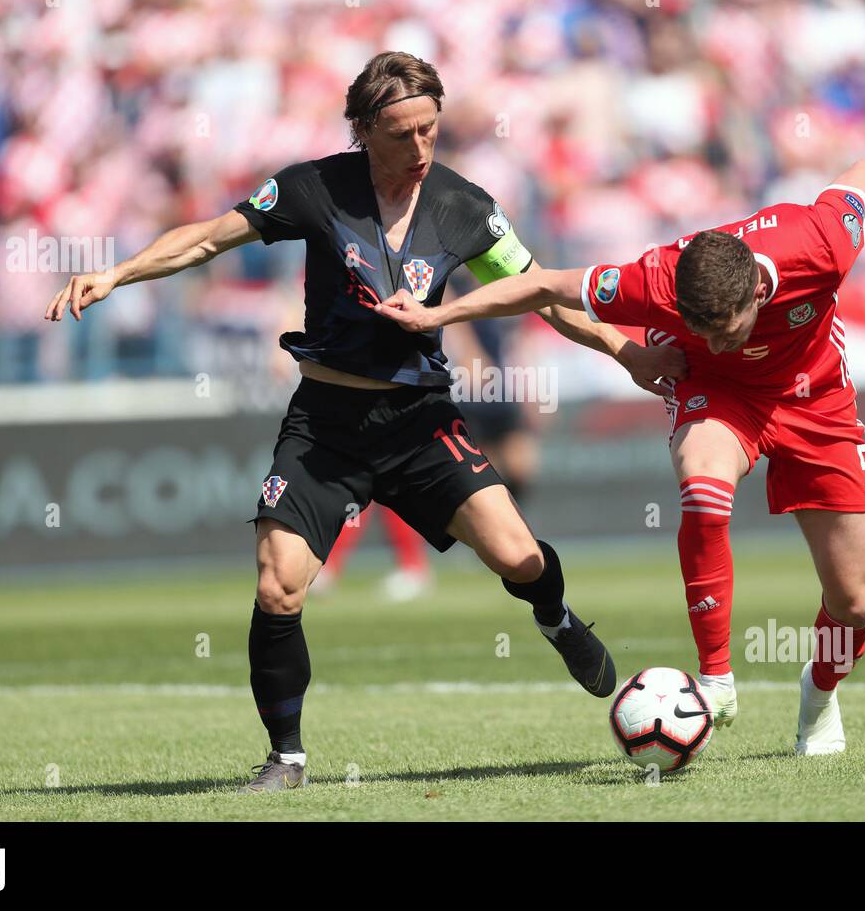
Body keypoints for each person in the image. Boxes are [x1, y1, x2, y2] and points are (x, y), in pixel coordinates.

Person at [44, 51, 683, 791]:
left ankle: (555, 619)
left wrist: (624, 350)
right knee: (279, 585)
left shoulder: (464, 207)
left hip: (420, 421)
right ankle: (286, 758)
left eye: (430, 130)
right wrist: (116, 273)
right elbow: (211, 237)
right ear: (363, 130)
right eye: (402, 133)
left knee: (521, 560)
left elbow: (541, 293)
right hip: (327, 423)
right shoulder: (312, 188)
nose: (419, 149)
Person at [376, 160, 865, 755]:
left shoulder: (820, 242)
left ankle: (820, 693)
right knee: (703, 484)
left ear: (758, 290)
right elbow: (544, 286)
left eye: (726, 331)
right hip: (717, 395)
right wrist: (437, 315)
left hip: (817, 398)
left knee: (854, 603)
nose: (717, 341)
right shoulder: (656, 279)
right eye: (700, 328)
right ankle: (717, 678)